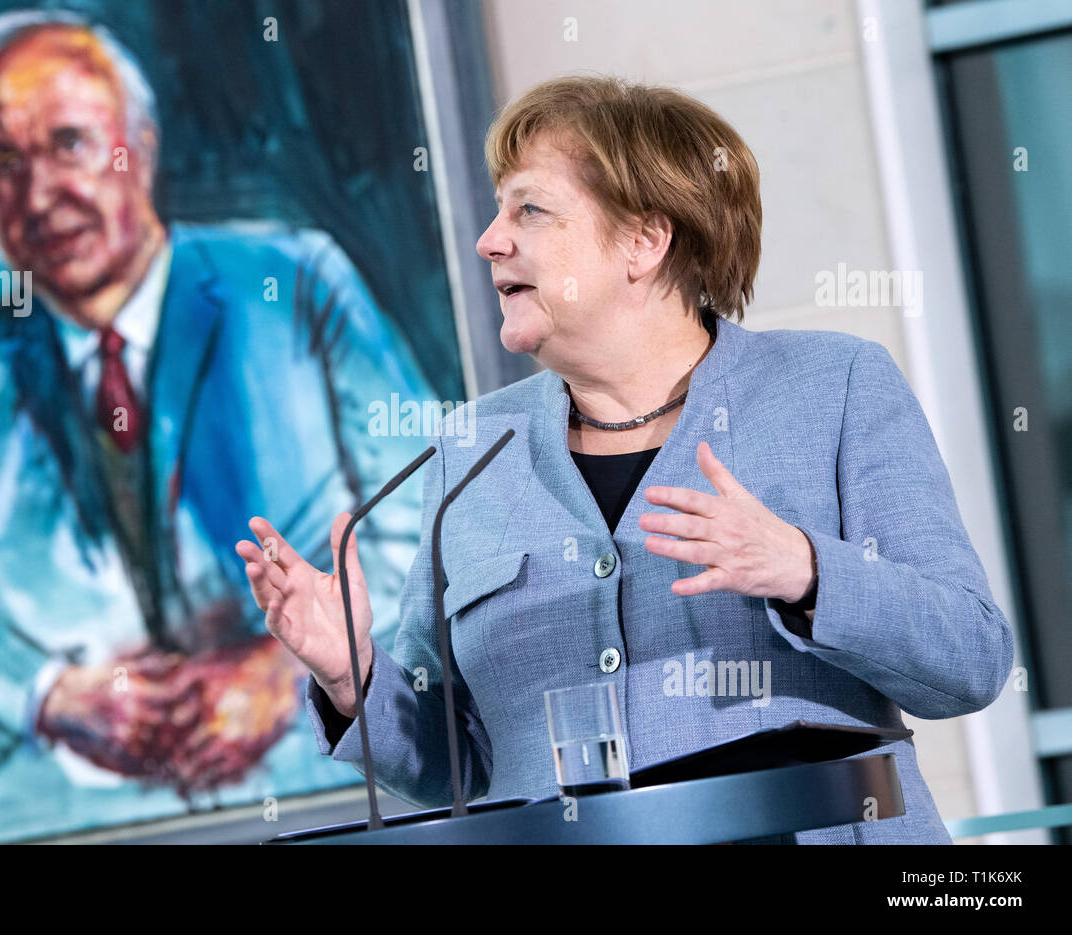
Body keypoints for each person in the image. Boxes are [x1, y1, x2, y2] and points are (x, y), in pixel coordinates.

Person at [235, 75, 1016, 844]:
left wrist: (806, 570)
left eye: (529, 209)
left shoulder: (836, 386)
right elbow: (455, 764)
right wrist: (352, 678)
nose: (489, 239)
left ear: (644, 240)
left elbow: (971, 658)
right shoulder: (467, 450)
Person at [0, 11, 435, 841]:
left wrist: (289, 668)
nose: (38, 194)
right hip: (78, 816)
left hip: (322, 781)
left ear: (139, 148)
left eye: (68, 144)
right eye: (5, 164)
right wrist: (51, 696)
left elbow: (430, 509)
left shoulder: (295, 284)